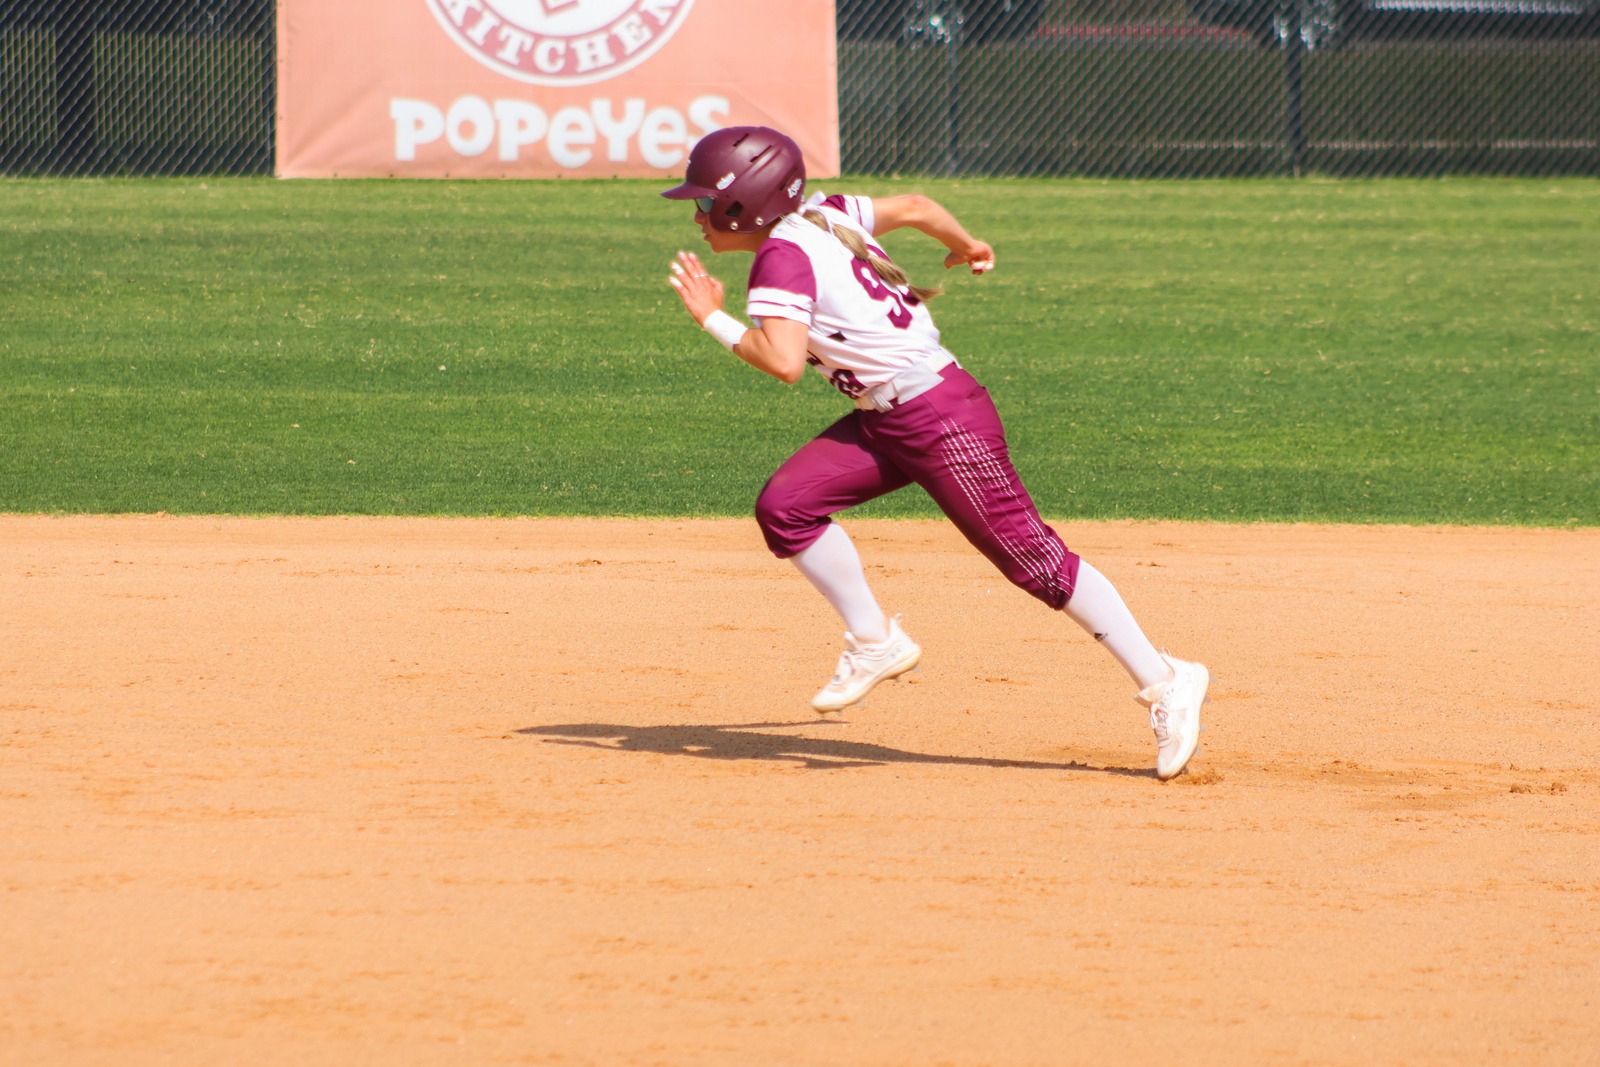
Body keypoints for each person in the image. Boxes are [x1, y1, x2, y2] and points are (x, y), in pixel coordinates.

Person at [663, 126, 1209, 779]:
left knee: (1035, 562)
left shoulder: (779, 259)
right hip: (890, 417)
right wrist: (967, 244)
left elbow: (782, 362)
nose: (696, 217)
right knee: (787, 506)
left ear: (740, 207)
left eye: (704, 204)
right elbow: (917, 207)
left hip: (939, 418)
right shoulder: (826, 210)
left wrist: (710, 318)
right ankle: (874, 638)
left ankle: (1166, 679)